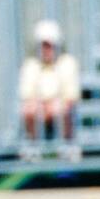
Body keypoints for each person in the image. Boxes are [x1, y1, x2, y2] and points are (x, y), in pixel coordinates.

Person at [19, 18, 81, 156]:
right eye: (43, 45)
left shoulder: (68, 63)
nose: (46, 49)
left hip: (59, 107)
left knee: (61, 108)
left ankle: (66, 146)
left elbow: (70, 98)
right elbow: (27, 96)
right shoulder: (30, 65)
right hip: (40, 107)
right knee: (29, 109)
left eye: (49, 45)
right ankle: (33, 148)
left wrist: (49, 107)